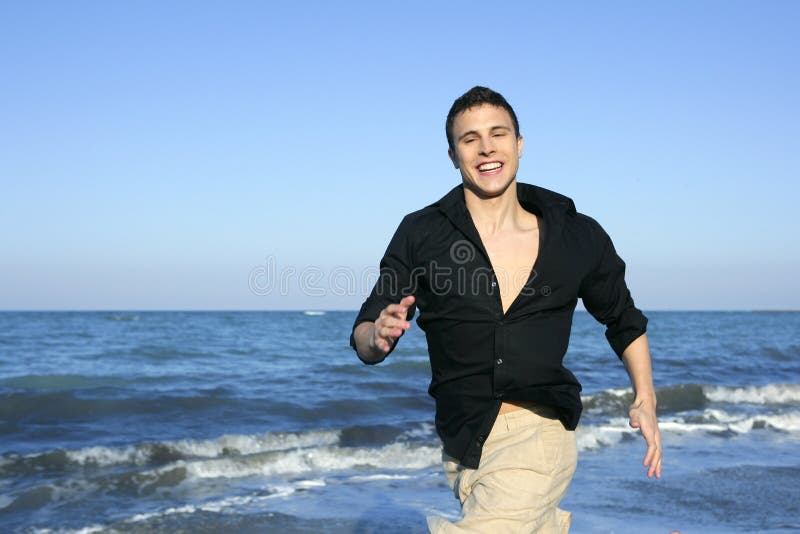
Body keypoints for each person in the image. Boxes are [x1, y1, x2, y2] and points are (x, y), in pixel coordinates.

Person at [350, 86, 661, 533]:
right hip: (462, 445)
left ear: (519, 144)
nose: (486, 147)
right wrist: (377, 336)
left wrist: (646, 399)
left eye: (498, 134)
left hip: (537, 435)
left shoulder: (574, 234)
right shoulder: (422, 233)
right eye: (469, 138)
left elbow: (623, 319)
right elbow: (365, 331)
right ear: (453, 155)